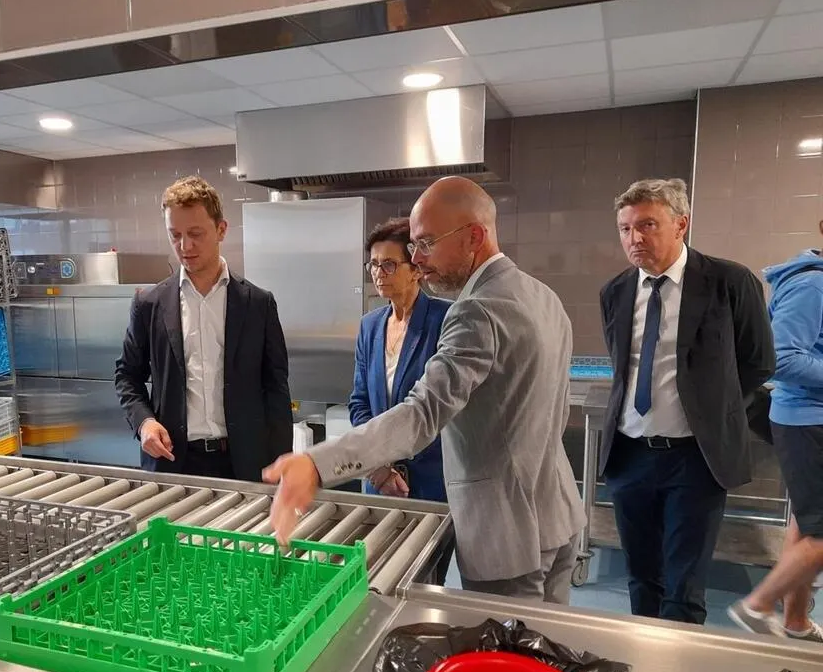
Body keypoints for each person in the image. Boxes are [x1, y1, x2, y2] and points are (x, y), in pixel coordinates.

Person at [264, 176, 586, 604]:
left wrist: (318, 464)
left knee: (506, 662)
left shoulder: (475, 311)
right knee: (544, 659)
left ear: (474, 236)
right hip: (558, 516)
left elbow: (422, 413)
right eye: (414, 246)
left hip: (508, 536)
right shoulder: (544, 297)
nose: (418, 258)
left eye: (427, 243)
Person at [599, 178, 774, 625]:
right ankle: (642, 664)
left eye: (647, 225)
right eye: (624, 228)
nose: (634, 238)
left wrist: (717, 412)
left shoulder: (729, 282)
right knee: (641, 579)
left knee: (684, 587)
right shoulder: (615, 292)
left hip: (695, 459)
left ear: (681, 225)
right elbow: (624, 366)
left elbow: (758, 362)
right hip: (630, 454)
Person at [114, 175, 292, 481]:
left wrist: (282, 463)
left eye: (196, 233)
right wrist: (144, 423)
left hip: (244, 463)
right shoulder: (149, 304)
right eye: (175, 235)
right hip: (172, 462)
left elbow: (276, 388)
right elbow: (127, 376)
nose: (185, 246)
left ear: (221, 229)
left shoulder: (258, 304)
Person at [730, 232, 823, 641]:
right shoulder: (813, 283)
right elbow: (781, 358)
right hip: (809, 420)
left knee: (804, 526)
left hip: (808, 418)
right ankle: (758, 605)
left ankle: (796, 621)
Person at [350, 217, 450, 502]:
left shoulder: (445, 319)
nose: (378, 273)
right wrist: (378, 466)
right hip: (379, 480)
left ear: (416, 269)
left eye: (389, 265)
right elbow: (359, 402)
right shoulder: (370, 326)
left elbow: (444, 409)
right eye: (373, 265)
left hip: (431, 480)